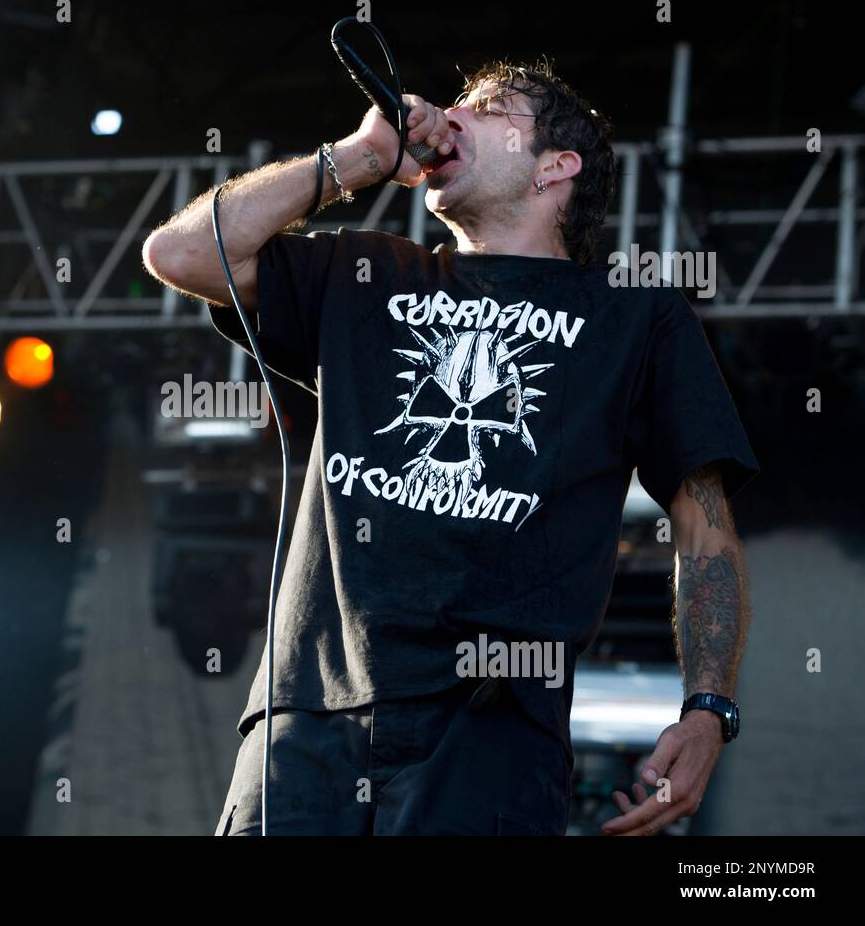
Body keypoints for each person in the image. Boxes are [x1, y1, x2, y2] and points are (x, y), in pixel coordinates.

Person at [141, 60, 758, 835]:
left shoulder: (634, 318)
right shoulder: (364, 272)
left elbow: (706, 528)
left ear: (555, 167)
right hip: (306, 716)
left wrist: (708, 710)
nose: (450, 117)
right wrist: (360, 159)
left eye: (491, 108)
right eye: (455, 104)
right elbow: (183, 255)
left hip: (490, 731)